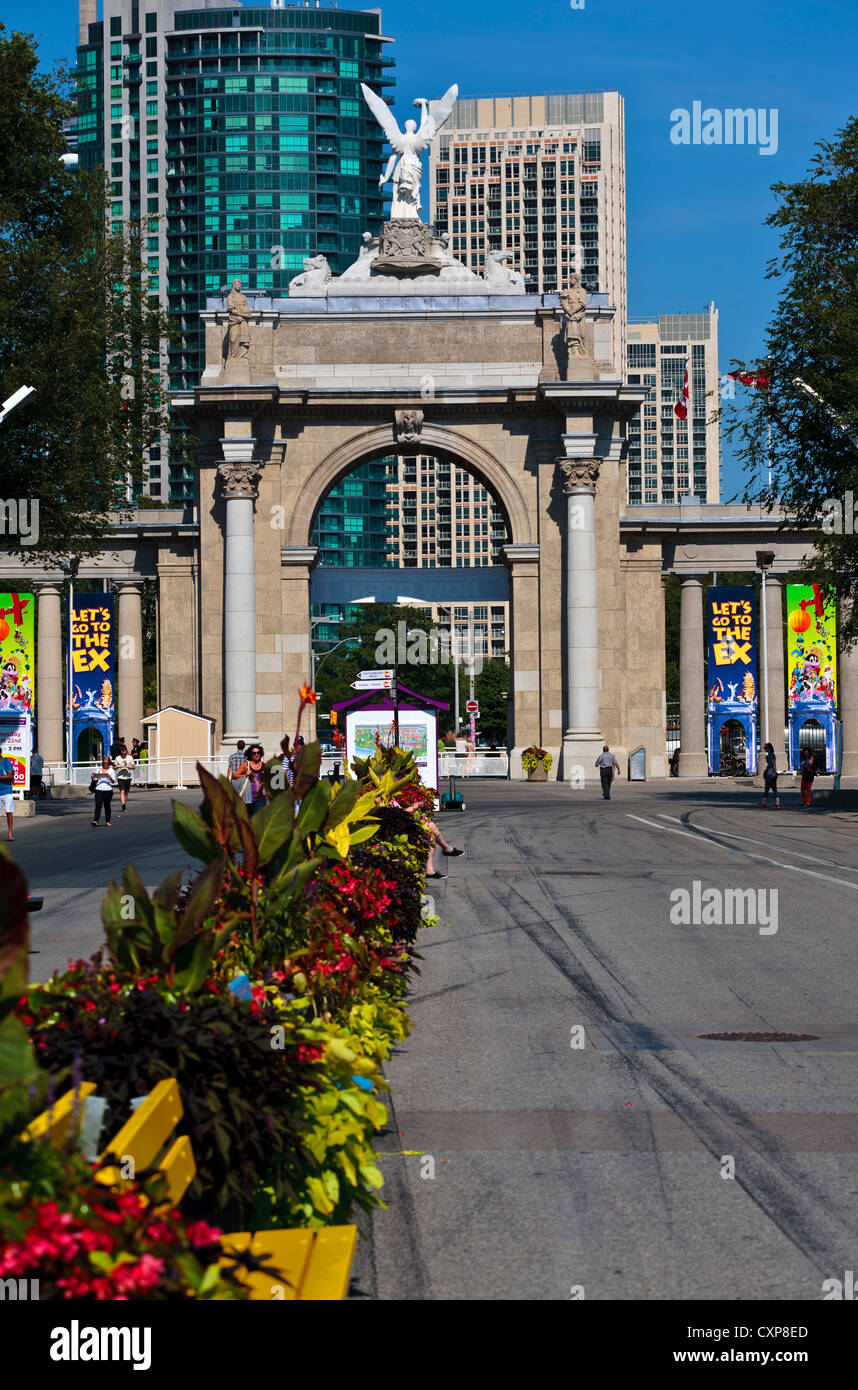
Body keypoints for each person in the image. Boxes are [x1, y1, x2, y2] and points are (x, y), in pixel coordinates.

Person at [235, 743, 268, 815]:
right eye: (254, 753)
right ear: (250, 754)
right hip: (248, 798)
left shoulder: (264, 765)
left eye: (258, 753)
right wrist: (245, 775)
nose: (256, 754)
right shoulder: (246, 764)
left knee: (258, 819)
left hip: (261, 798)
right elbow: (234, 775)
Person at [91, 756, 116, 827]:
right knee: (98, 805)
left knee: (107, 806)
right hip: (99, 789)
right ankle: (96, 820)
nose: (106, 765)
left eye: (107, 763)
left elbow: (113, 781)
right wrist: (93, 777)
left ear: (109, 764)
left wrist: (109, 777)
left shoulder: (111, 771)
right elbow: (95, 779)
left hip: (108, 790)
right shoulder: (98, 769)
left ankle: (108, 821)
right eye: (104, 763)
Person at [759, 742, 780, 808]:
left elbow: (773, 764)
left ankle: (764, 803)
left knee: (768, 789)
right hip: (770, 773)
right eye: (764, 748)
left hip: (770, 774)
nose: (765, 749)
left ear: (769, 748)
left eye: (766, 748)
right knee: (773, 789)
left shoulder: (771, 755)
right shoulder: (770, 755)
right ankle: (777, 803)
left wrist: (774, 772)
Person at [0, 750, 15, 840]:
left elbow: (10, 775)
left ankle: (10, 833)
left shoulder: (6, 761)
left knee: (9, 812)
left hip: (6, 791)